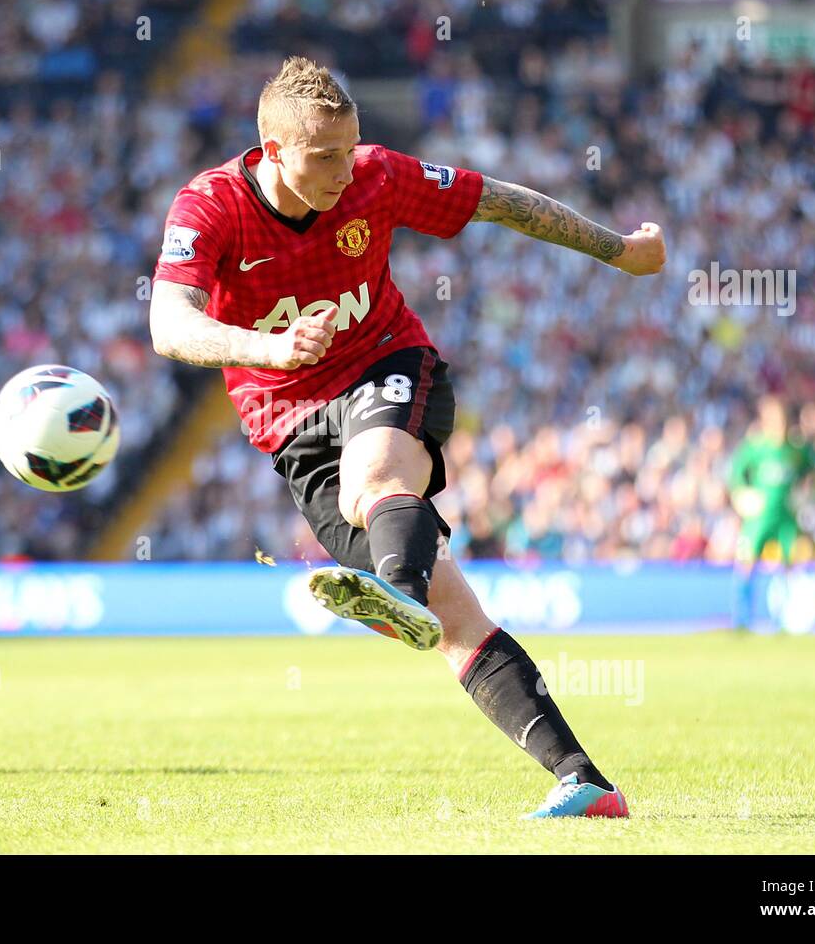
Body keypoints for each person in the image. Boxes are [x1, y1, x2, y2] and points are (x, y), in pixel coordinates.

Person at [149, 57, 665, 817]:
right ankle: (584, 782)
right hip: (291, 423)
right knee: (457, 624)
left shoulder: (375, 175)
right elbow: (169, 324)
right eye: (323, 156)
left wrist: (617, 250)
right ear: (270, 148)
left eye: (349, 147)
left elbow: (497, 202)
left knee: (376, 481)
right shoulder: (210, 207)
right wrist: (270, 349)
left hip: (386, 364)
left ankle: (395, 586)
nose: (342, 168)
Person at [728, 395, 815, 630]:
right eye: (773, 420)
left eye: (782, 420)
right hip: (758, 520)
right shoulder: (755, 448)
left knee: (789, 566)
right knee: (746, 562)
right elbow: (735, 475)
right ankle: (741, 621)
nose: (778, 425)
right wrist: (742, 496)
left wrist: (810, 497)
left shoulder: (797, 450)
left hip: (786, 519)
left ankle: (786, 619)